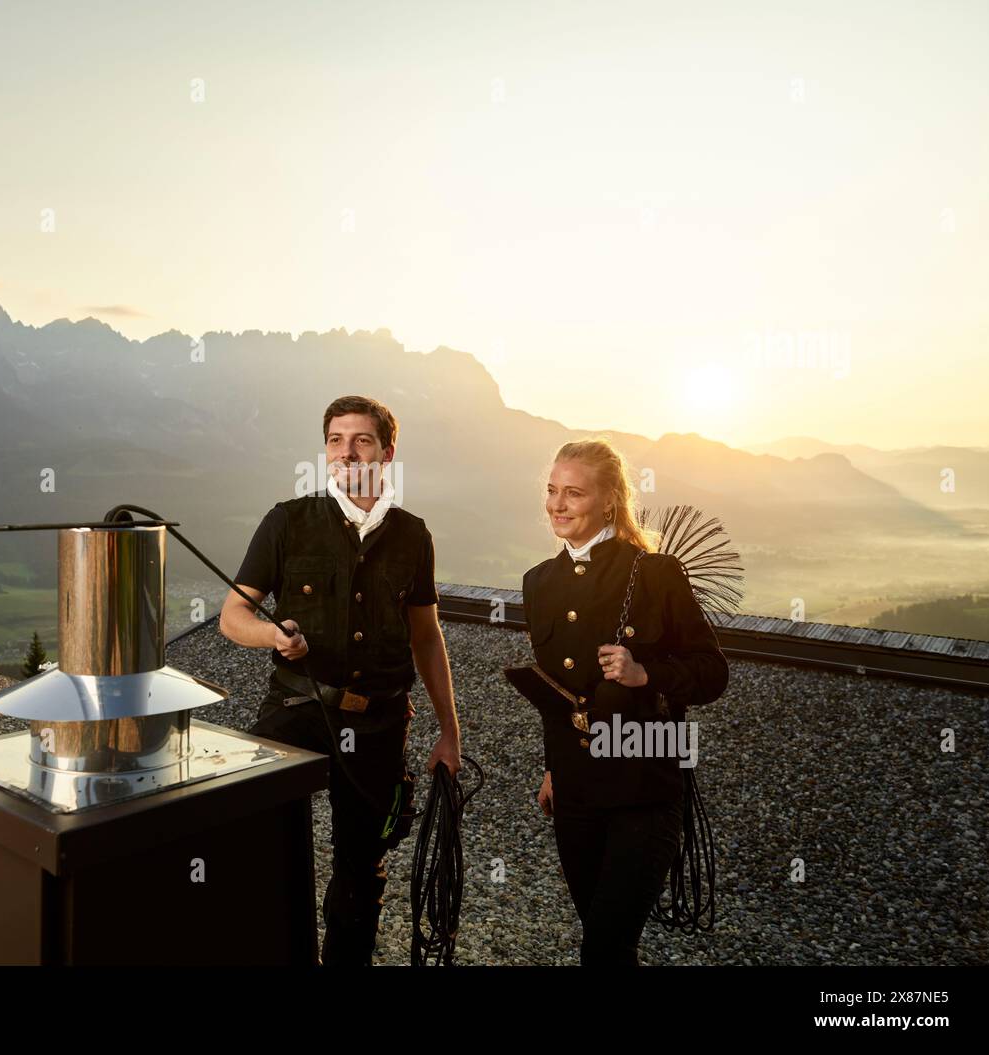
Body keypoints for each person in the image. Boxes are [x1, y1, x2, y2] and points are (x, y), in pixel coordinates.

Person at [220, 395, 462, 966]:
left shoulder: (413, 536)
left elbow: (426, 637)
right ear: (325, 451)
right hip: (297, 710)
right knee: (264, 848)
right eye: (335, 440)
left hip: (379, 722)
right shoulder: (286, 521)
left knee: (361, 868)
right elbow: (234, 615)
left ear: (386, 453)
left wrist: (449, 732)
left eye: (362, 441)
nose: (347, 452)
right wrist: (273, 638)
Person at [520, 437, 729, 966]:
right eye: (551, 491)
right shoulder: (538, 583)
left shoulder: (657, 574)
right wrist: (554, 771)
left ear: (609, 500)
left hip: (645, 783)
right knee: (606, 942)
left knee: (605, 946)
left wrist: (645, 674)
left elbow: (713, 674)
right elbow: (559, 696)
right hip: (576, 790)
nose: (557, 505)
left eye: (574, 494)